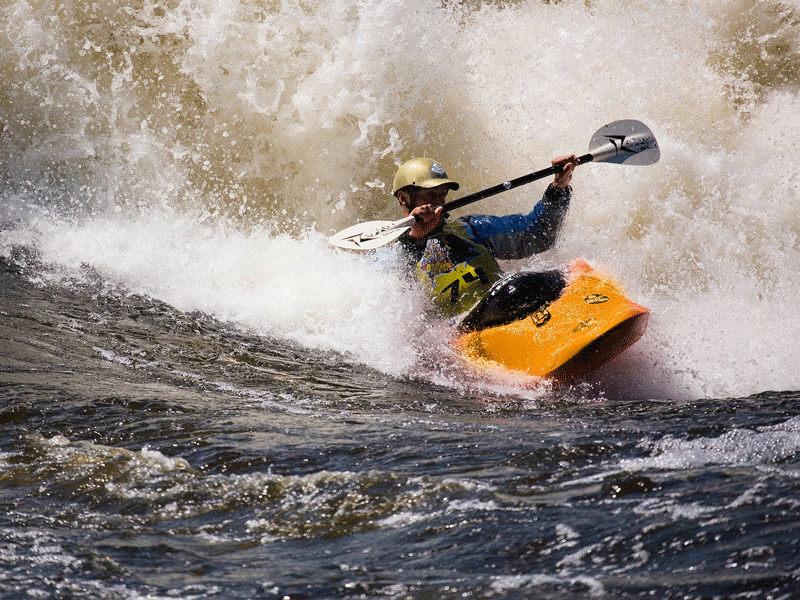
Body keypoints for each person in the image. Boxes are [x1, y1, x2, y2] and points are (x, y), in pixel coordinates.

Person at [391, 155, 578, 331]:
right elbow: (394, 297)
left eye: (443, 194)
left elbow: (538, 234)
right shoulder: (391, 255)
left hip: (507, 302)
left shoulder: (471, 227)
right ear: (403, 198)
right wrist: (415, 237)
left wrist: (557, 189)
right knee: (514, 288)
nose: (440, 202)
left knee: (570, 270)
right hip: (464, 330)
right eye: (431, 195)